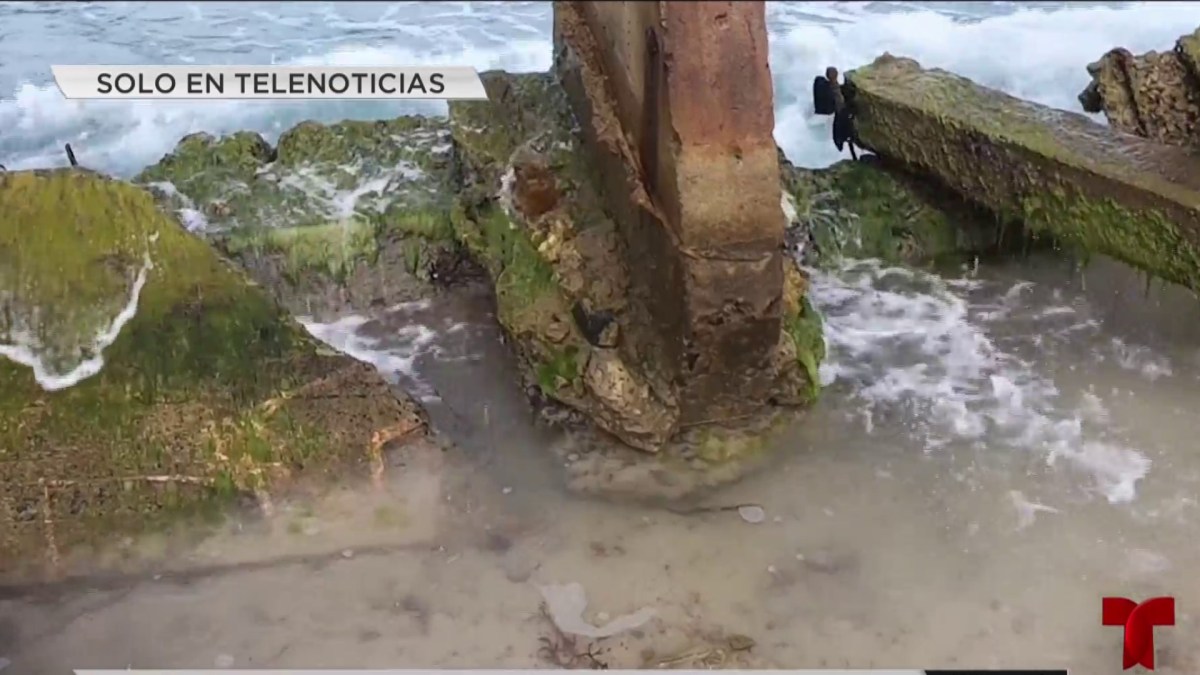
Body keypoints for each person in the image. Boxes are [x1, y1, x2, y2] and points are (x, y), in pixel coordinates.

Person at [812, 66, 859, 160]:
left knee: (845, 136)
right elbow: (839, 102)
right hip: (841, 116)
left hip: (841, 113)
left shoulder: (826, 85)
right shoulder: (828, 88)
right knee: (845, 135)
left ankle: (853, 154)